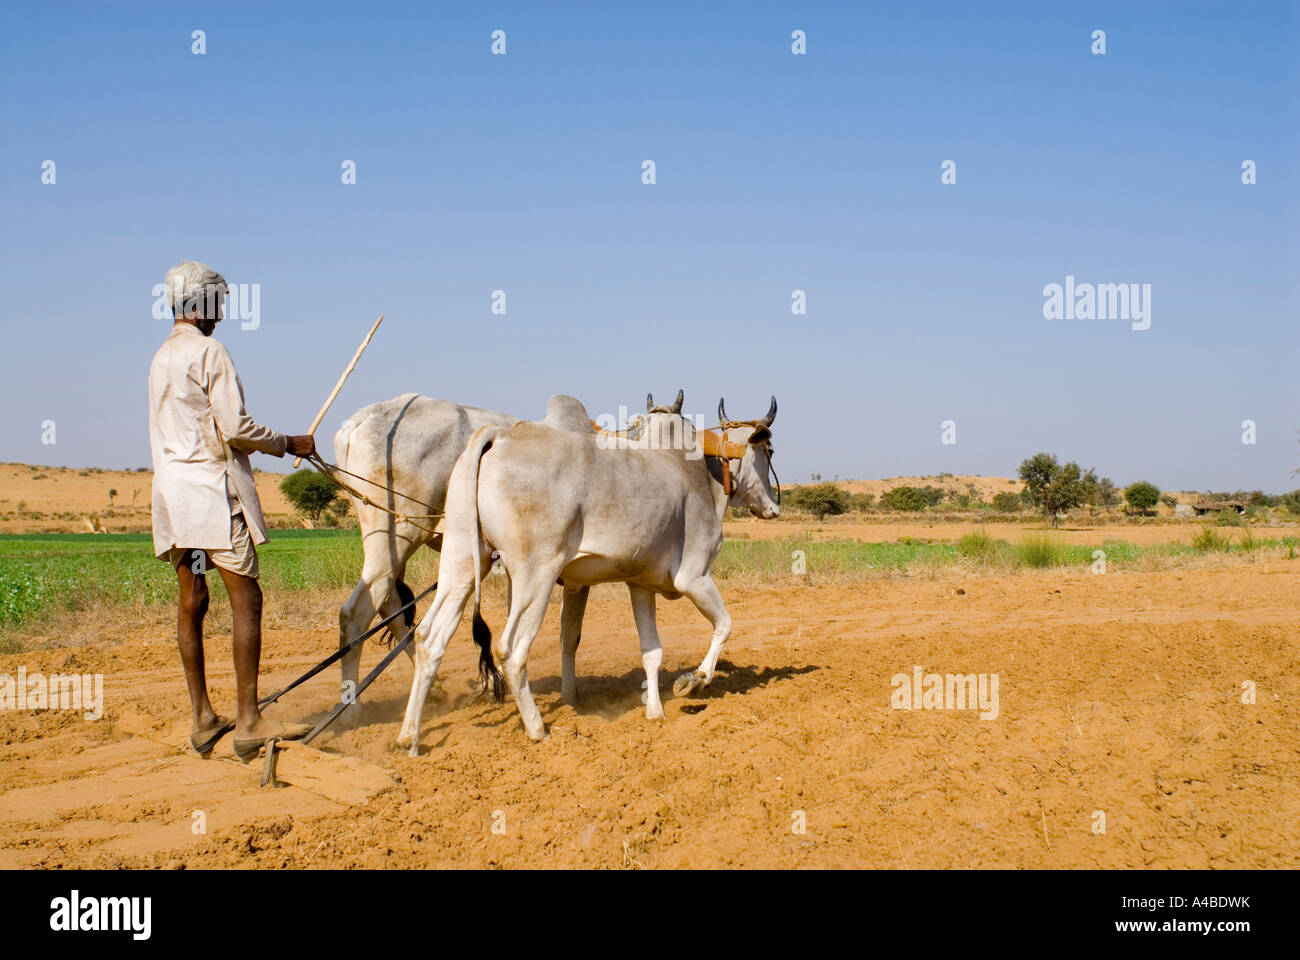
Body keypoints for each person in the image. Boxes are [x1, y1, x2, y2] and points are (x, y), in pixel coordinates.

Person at [149, 260, 314, 760]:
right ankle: (248, 721)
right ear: (199, 304)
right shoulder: (209, 351)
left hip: (174, 500)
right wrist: (289, 443)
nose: (221, 313)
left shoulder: (159, 357)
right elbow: (237, 427)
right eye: (217, 303)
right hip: (212, 497)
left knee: (192, 602)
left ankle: (202, 718)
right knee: (247, 600)